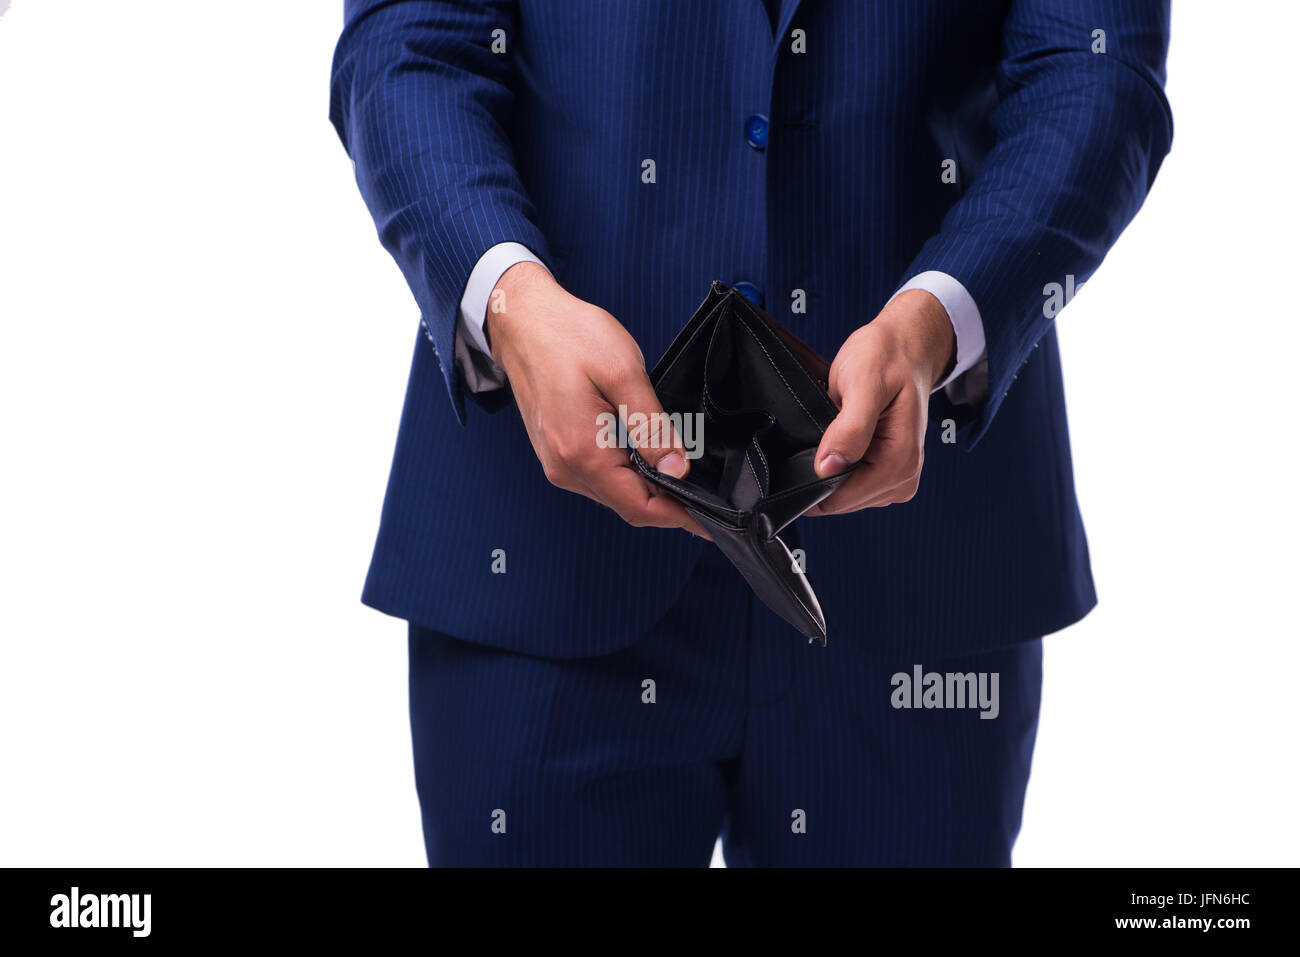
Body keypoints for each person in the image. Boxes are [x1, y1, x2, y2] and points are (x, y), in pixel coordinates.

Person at [329, 0, 1172, 866]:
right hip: (545, 547)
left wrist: (940, 321)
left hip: (918, 563)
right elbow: (410, 39)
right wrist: (509, 297)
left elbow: (1095, 71)